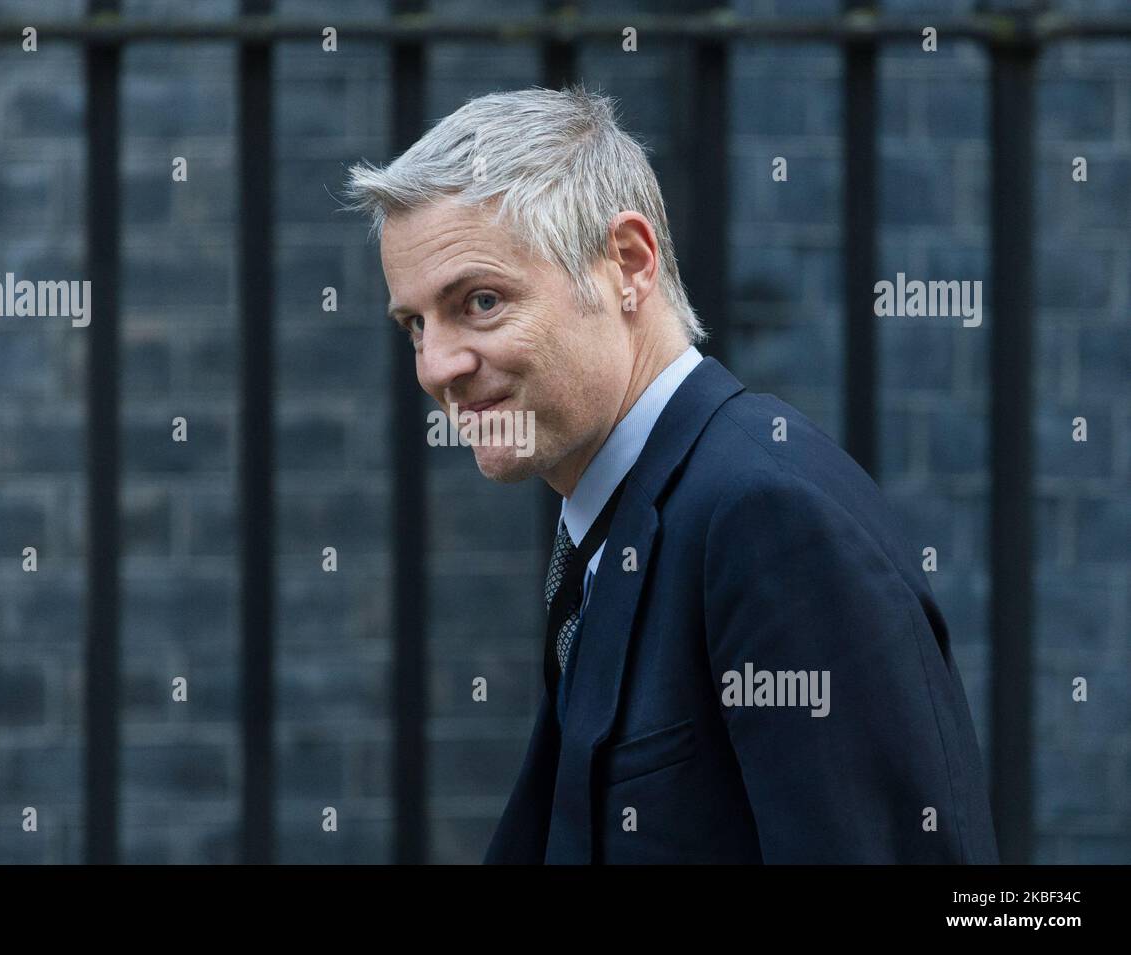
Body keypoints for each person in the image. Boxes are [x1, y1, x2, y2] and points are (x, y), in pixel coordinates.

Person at [342, 84, 999, 864]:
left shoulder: (766, 516)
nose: (437, 365)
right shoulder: (620, 514)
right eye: (415, 324)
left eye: (480, 301)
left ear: (629, 262)